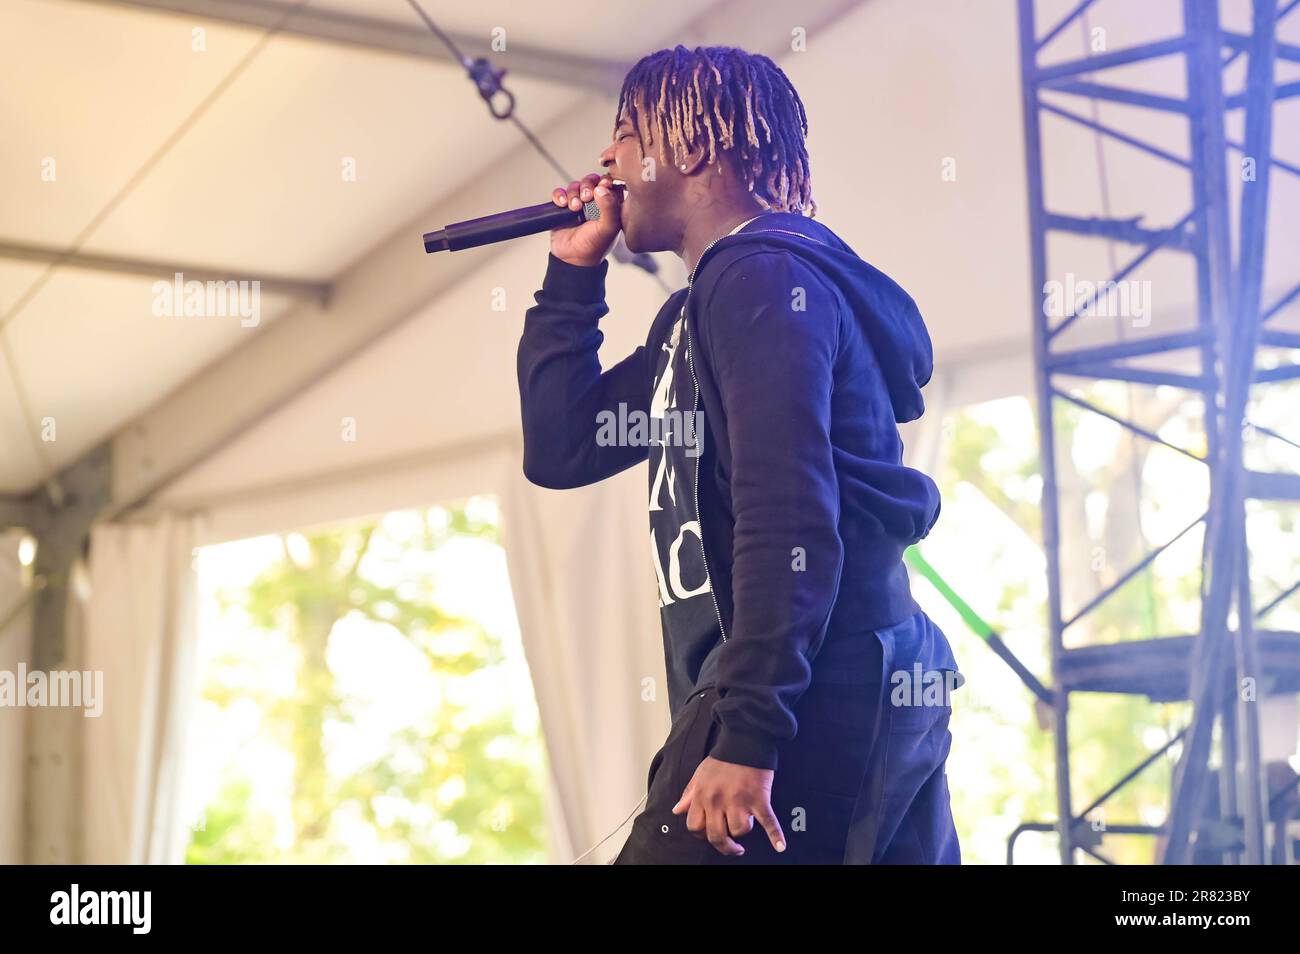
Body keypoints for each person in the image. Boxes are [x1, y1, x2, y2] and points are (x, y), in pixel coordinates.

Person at [516, 44, 961, 864]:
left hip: (817, 682)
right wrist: (572, 278)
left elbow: (787, 508)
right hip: (840, 676)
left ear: (689, 150)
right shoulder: (700, 312)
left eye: (623, 133)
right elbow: (565, 445)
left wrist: (750, 732)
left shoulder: (758, 278)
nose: (607, 159)